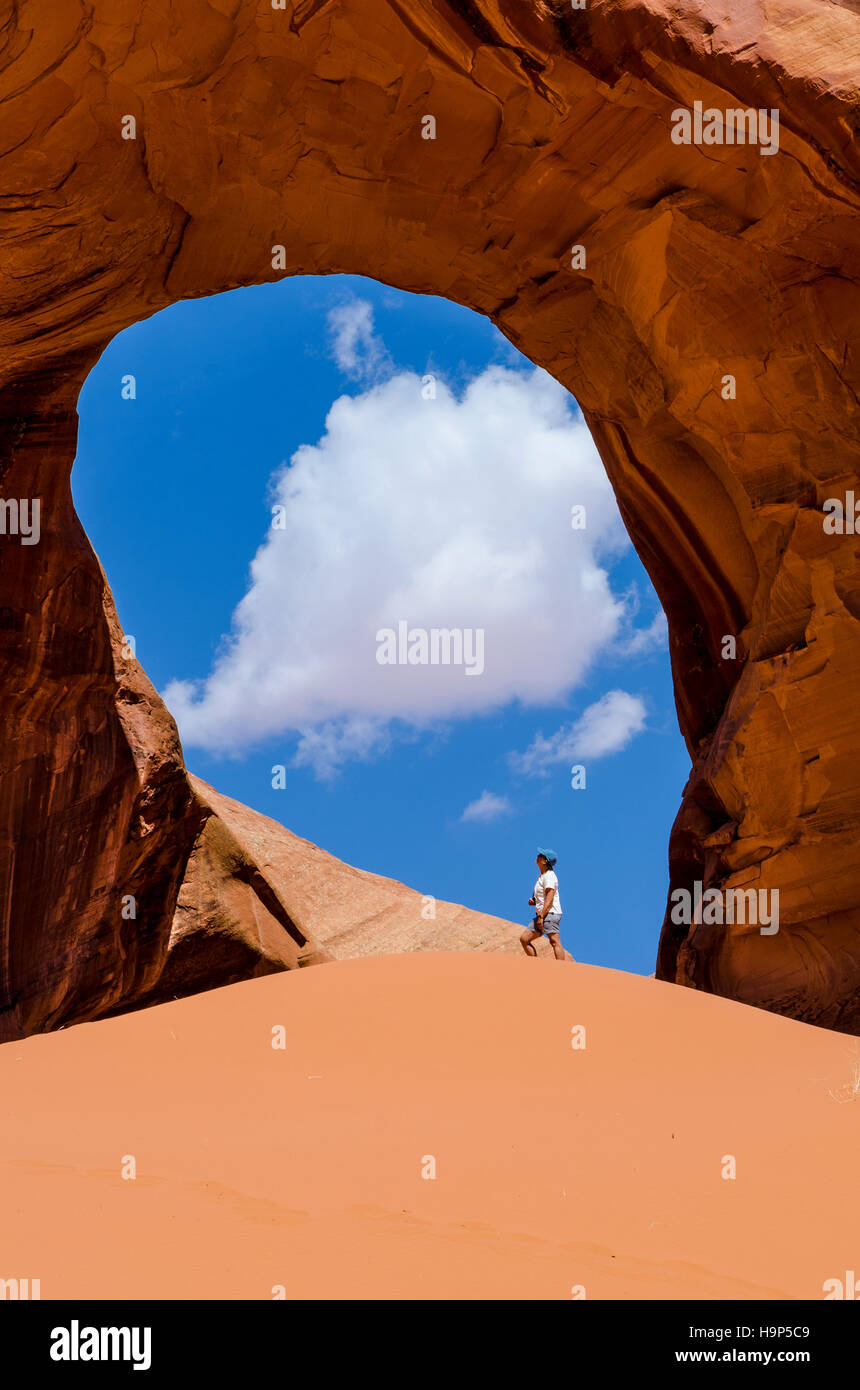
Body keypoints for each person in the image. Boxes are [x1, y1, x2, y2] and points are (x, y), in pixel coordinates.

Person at [520, 847, 566, 961]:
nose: (537, 856)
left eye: (540, 855)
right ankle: (537, 967)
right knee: (524, 939)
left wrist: (541, 917)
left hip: (550, 913)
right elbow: (544, 896)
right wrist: (534, 901)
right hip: (542, 915)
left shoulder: (549, 876)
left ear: (545, 861)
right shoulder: (542, 876)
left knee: (555, 941)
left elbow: (549, 898)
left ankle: (564, 971)